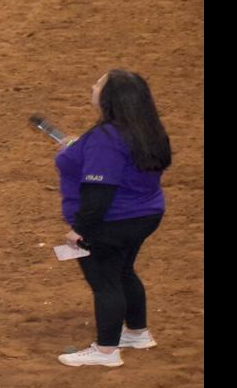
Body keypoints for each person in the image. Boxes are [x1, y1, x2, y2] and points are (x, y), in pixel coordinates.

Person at [54, 69, 172, 368]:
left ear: (111, 97)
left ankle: (106, 351)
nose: (92, 86)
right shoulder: (147, 127)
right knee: (123, 271)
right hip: (145, 214)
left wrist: (80, 230)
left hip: (111, 221)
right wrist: (80, 149)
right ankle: (137, 332)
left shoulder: (105, 138)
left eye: (98, 83)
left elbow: (100, 193)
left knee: (105, 281)